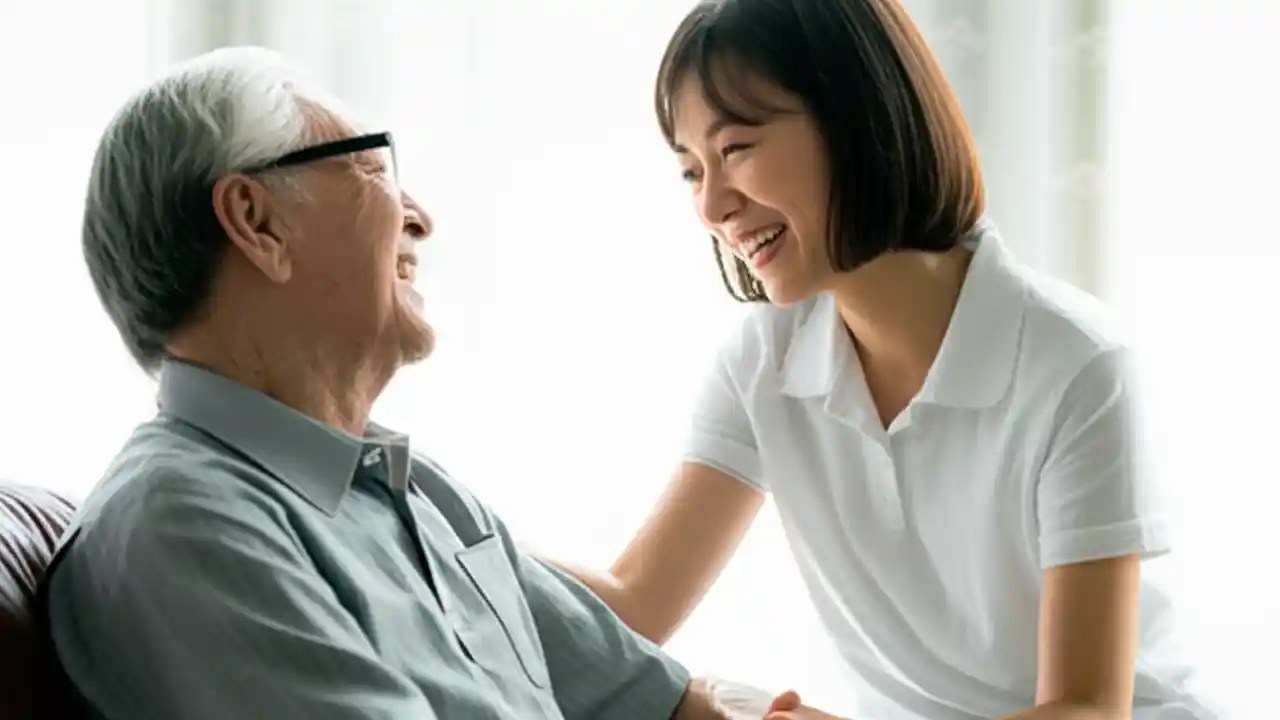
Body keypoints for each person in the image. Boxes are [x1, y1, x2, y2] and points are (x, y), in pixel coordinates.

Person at [551, 1, 1217, 719]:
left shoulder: (1075, 365)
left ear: (854, 118)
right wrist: (457, 533)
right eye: (691, 171)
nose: (713, 206)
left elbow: (1087, 708)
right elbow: (633, 605)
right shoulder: (763, 363)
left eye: (735, 149)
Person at [43, 46, 735, 720]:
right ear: (257, 223)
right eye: (373, 166)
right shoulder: (182, 521)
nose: (420, 219)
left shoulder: (413, 487)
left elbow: (663, 705)